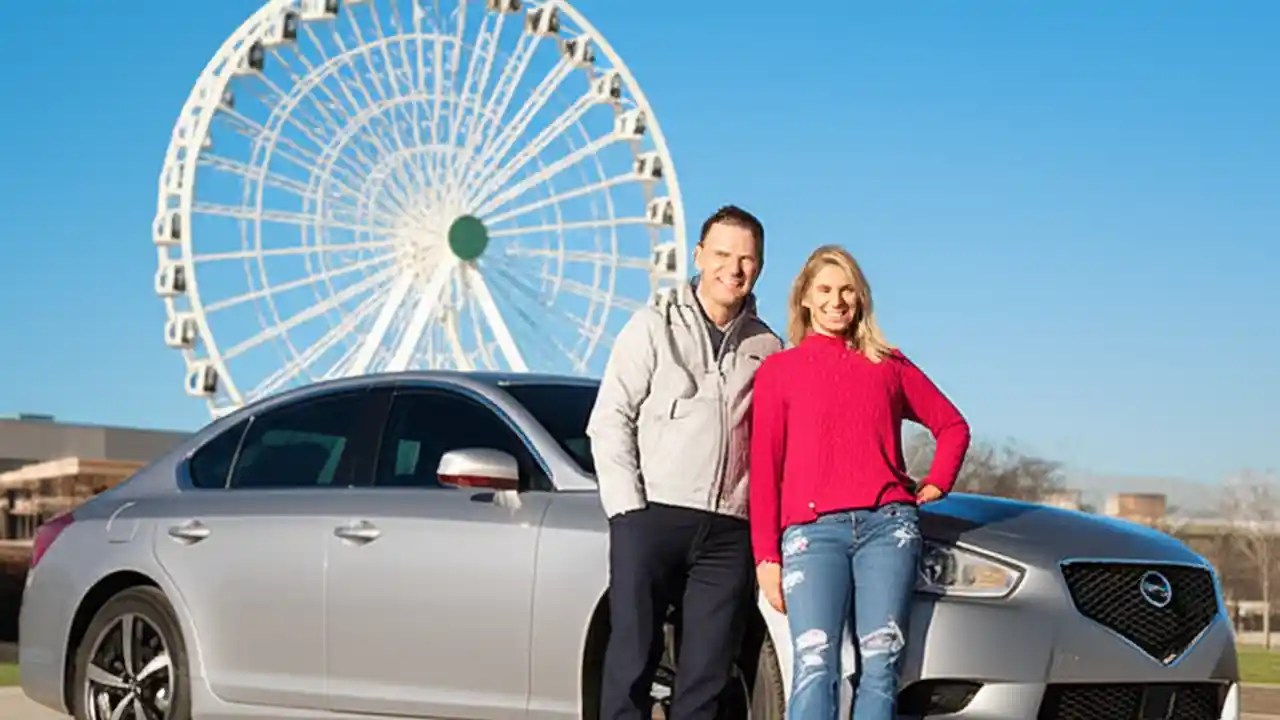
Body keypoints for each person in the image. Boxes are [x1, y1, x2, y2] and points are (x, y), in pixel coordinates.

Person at [748, 244, 970, 720]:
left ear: (861, 297)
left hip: (888, 530)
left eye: (847, 289)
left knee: (881, 663)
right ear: (804, 297)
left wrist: (936, 483)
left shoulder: (888, 364)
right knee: (814, 663)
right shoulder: (778, 372)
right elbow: (765, 468)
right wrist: (766, 557)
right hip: (811, 535)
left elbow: (953, 426)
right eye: (825, 289)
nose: (836, 300)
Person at [587, 205, 784, 720]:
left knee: (708, 678)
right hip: (653, 515)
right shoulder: (652, 326)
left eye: (746, 259)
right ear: (698, 255)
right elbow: (610, 418)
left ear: (759, 266)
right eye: (722, 254)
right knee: (631, 661)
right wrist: (628, 510)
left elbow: (778, 440)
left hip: (730, 532)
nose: (733, 269)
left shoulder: (768, 346)